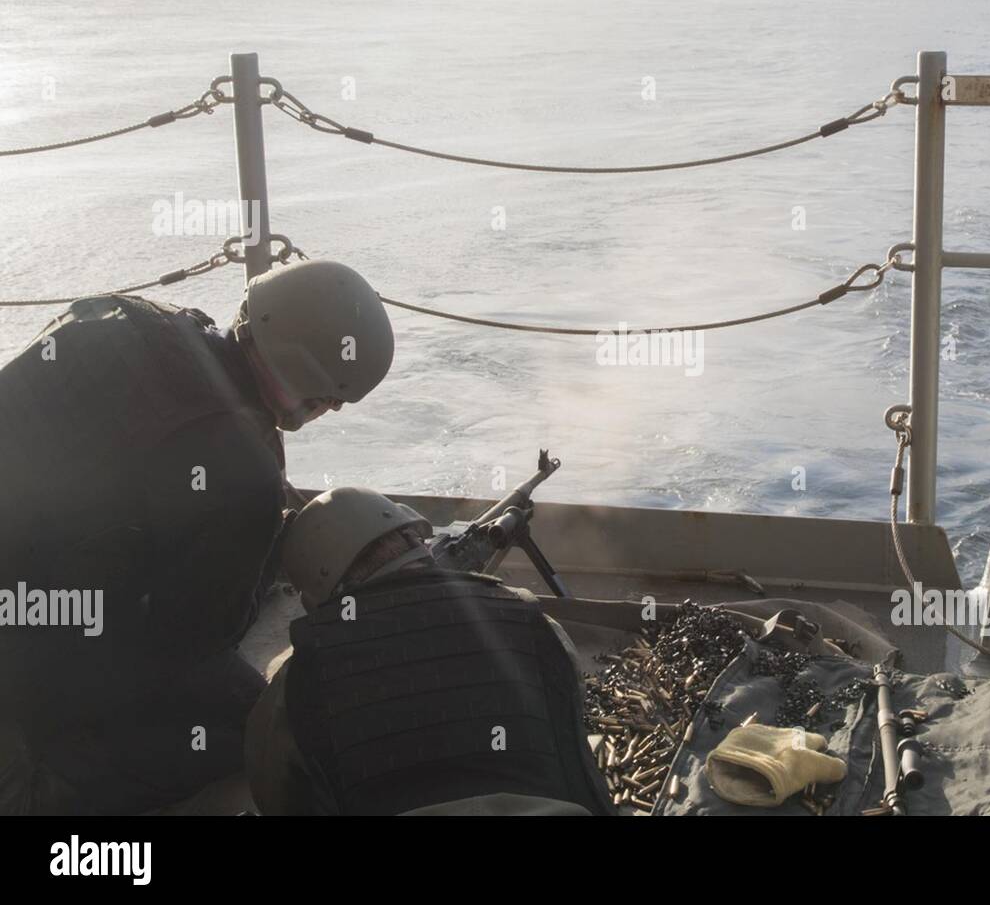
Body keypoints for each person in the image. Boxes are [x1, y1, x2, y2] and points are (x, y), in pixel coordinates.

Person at [0, 259, 395, 814]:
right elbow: (195, 642)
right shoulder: (244, 477)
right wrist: (265, 554)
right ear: (313, 392)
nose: (330, 409)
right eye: (334, 398)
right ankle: (38, 791)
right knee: (258, 727)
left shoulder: (127, 317)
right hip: (28, 638)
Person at [245, 487, 613, 816]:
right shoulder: (539, 627)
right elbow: (573, 756)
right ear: (416, 540)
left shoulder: (299, 679)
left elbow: (277, 795)